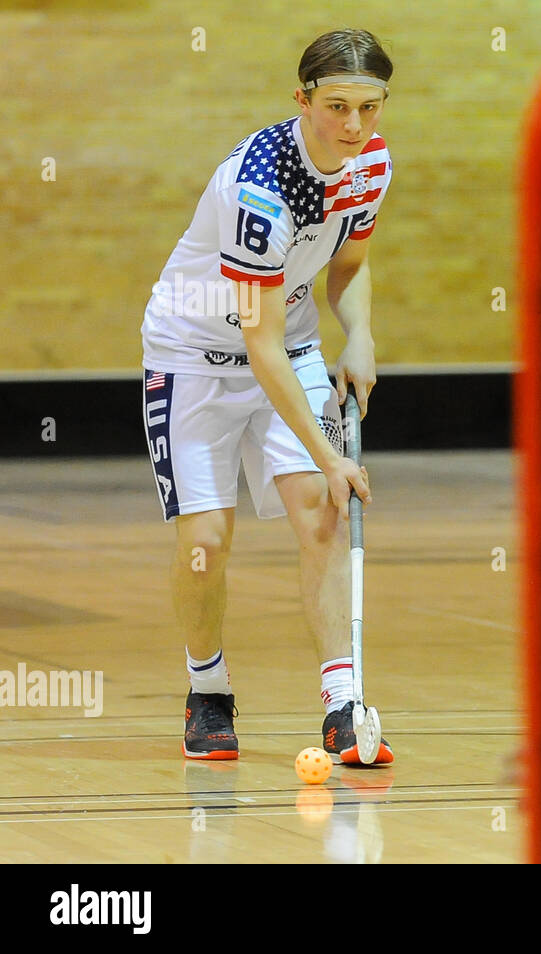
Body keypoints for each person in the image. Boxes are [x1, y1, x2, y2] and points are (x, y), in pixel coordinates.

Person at [141, 29, 396, 764]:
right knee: (204, 544)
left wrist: (362, 336)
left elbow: (349, 266)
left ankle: (343, 704)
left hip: (296, 348)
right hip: (194, 359)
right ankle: (208, 688)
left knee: (320, 512)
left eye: (370, 107)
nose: (354, 126)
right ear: (303, 99)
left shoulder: (369, 163)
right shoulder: (262, 186)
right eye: (338, 106)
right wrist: (332, 454)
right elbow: (258, 345)